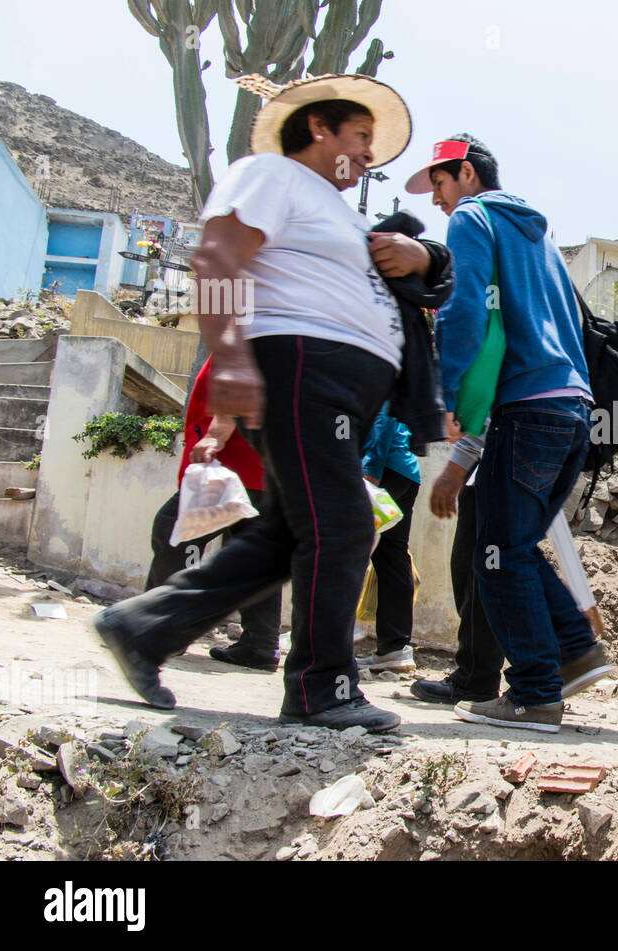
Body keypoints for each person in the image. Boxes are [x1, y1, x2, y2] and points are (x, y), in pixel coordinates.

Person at [92, 75, 448, 732]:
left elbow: (421, 281)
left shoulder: (339, 210)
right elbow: (218, 258)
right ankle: (322, 687)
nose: (370, 155)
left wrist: (416, 252)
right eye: (361, 137)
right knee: (343, 525)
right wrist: (227, 359)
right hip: (302, 368)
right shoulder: (271, 177)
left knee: (291, 532)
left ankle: (141, 628)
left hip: (344, 387)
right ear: (319, 128)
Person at [404, 134, 614, 732]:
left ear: (465, 174)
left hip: (526, 407)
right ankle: (574, 651)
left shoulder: (473, 218)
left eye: (440, 185)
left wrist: (442, 392)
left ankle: (534, 694)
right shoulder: (537, 234)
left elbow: (464, 308)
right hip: (571, 407)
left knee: (493, 554)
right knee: (513, 547)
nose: (439, 202)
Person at [141, 357, 282, 671]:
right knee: (254, 557)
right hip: (262, 467)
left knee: (174, 535)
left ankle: (161, 631)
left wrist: (217, 435)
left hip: (231, 464)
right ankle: (260, 644)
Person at [408, 433, 507, 704]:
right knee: (472, 573)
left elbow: (485, 411)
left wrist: (455, 467)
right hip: (492, 469)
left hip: (497, 468)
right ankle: (480, 677)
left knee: (480, 578)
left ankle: (476, 680)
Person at [356, 404, 422, 674]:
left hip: (383, 469)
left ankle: (327, 633)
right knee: (392, 557)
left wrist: (370, 469)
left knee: (346, 548)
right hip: (405, 470)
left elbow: (384, 415)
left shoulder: (376, 365)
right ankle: (394, 648)